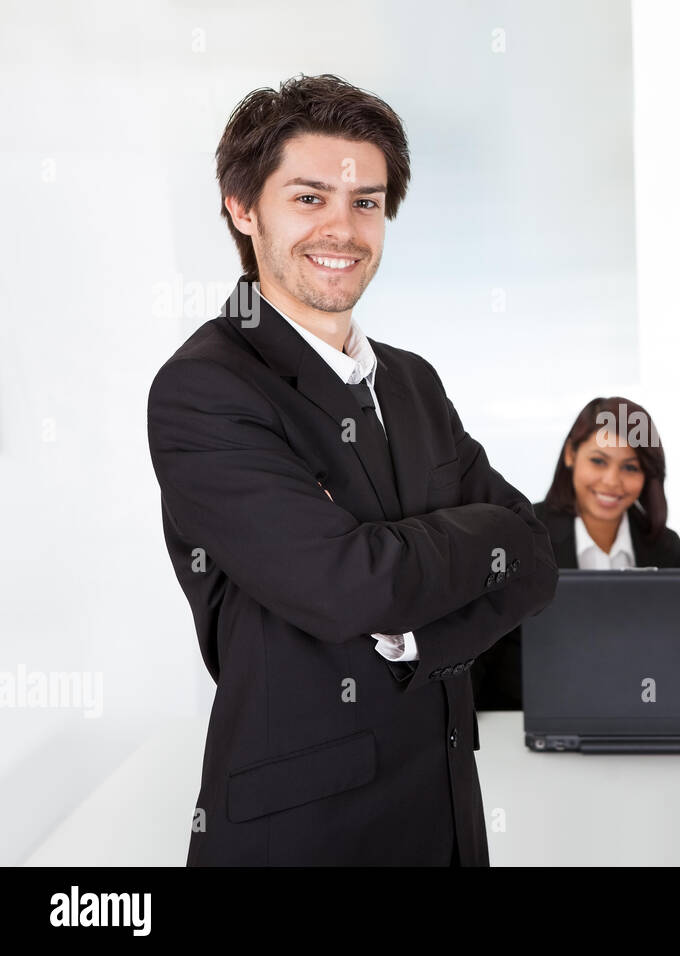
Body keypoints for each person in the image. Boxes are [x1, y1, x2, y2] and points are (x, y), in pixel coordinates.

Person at [146, 74, 557, 866]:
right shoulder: (206, 388)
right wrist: (469, 542)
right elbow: (348, 586)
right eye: (308, 198)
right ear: (242, 207)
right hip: (302, 832)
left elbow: (534, 559)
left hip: (444, 816)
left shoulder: (411, 381)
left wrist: (407, 623)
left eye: (365, 202)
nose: (343, 228)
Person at [471, 397, 680, 710]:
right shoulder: (519, 535)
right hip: (524, 715)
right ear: (571, 454)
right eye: (599, 461)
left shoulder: (663, 546)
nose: (612, 481)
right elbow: (481, 647)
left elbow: (659, 648)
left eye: (630, 467)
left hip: (626, 711)